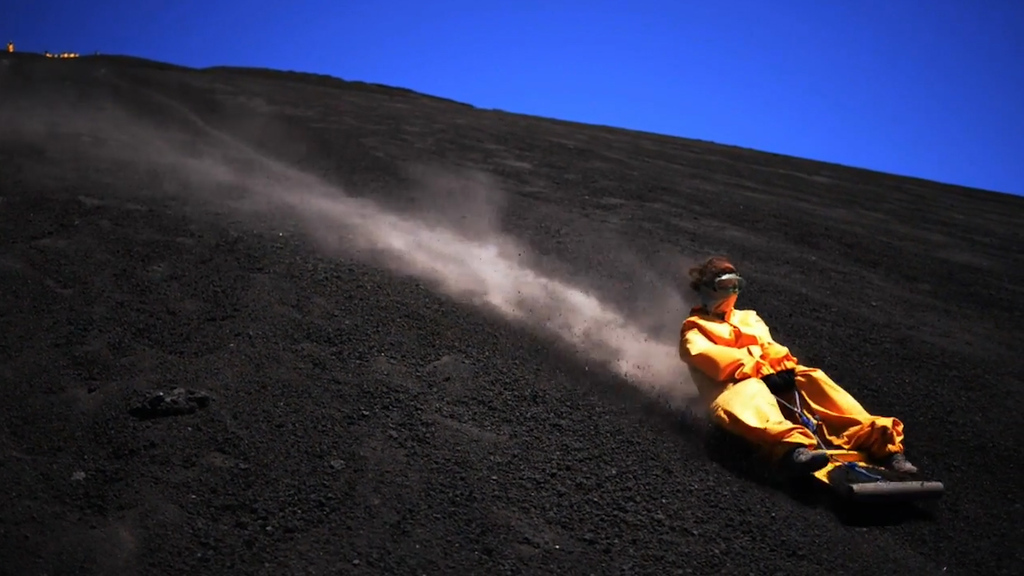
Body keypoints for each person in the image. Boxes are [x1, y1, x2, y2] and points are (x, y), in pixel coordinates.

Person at [678, 256, 917, 477]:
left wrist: (782, 367)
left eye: (736, 285)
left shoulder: (749, 318)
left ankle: (882, 444)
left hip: (772, 378)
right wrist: (759, 371)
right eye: (726, 285)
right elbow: (709, 357)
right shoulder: (695, 327)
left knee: (812, 378)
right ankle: (792, 450)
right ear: (708, 288)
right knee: (749, 391)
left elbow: (769, 346)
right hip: (735, 388)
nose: (732, 292)